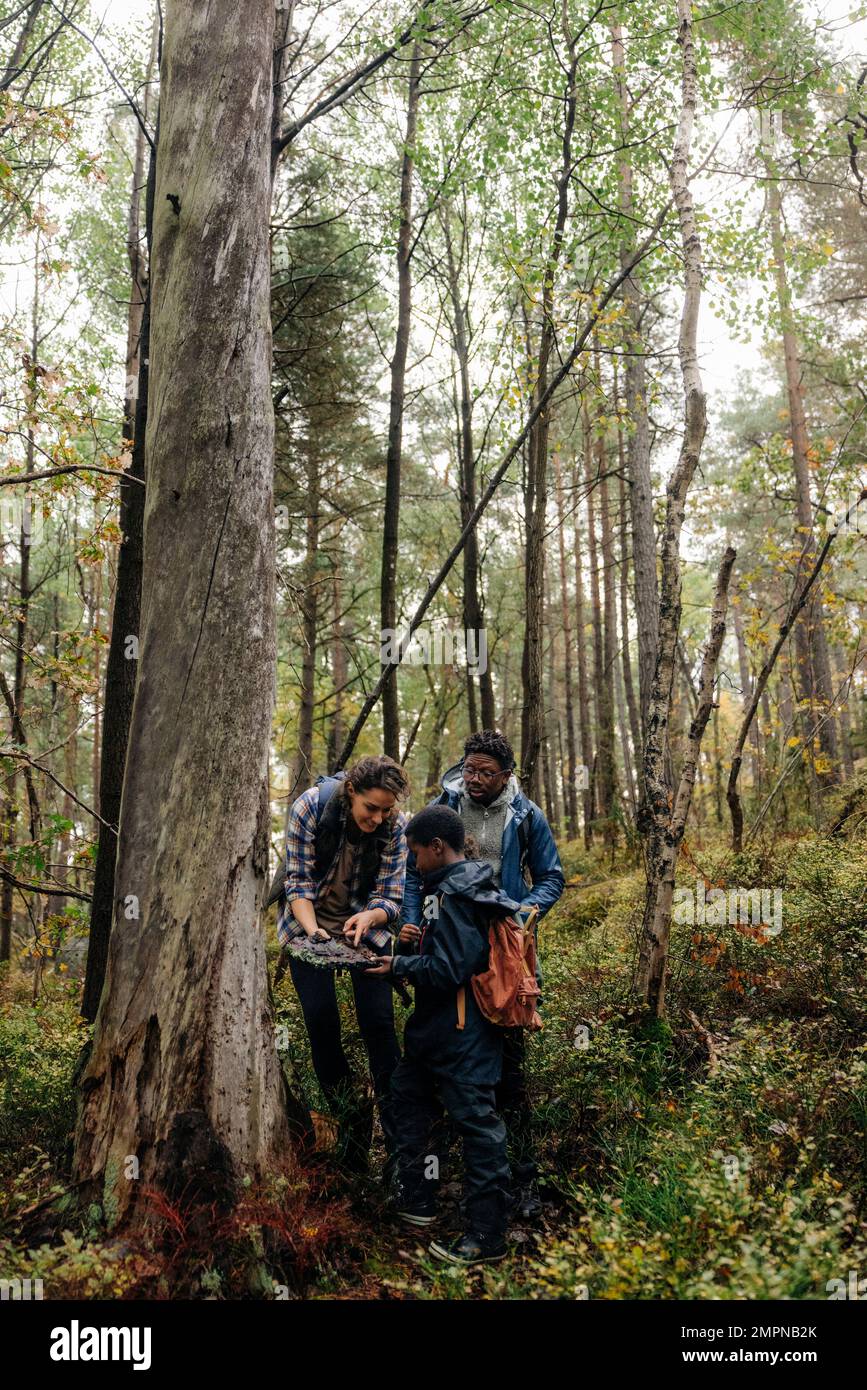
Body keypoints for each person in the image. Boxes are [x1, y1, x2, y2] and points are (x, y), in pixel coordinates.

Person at [399, 730, 564, 1214]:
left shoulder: (526, 815)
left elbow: (551, 877)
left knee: (508, 1073)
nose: (472, 779)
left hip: (500, 952)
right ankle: (440, 1177)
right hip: (446, 941)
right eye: (468, 768)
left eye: (484, 773)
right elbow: (414, 870)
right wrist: (413, 920)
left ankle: (522, 1180)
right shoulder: (446, 803)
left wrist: (520, 914)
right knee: (441, 1061)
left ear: (506, 776)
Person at [367, 804, 518, 1265]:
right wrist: (411, 943)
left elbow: (452, 968)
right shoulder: (447, 889)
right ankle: (419, 1201)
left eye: (416, 852)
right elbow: (447, 952)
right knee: (406, 1099)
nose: (413, 862)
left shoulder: (458, 892)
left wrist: (398, 964)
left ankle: (487, 1237)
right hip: (434, 1033)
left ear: (437, 847)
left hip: (464, 1034)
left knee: (478, 1125)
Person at [277, 754, 409, 1176]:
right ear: (352, 791)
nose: (378, 817)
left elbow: (391, 895)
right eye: (371, 808)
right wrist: (315, 932)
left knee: (379, 1026)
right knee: (321, 1023)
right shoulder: (309, 807)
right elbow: (296, 881)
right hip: (307, 928)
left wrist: (371, 916)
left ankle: (398, 1149)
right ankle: (350, 1139)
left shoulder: (396, 827)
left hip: (364, 934)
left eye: (386, 809)